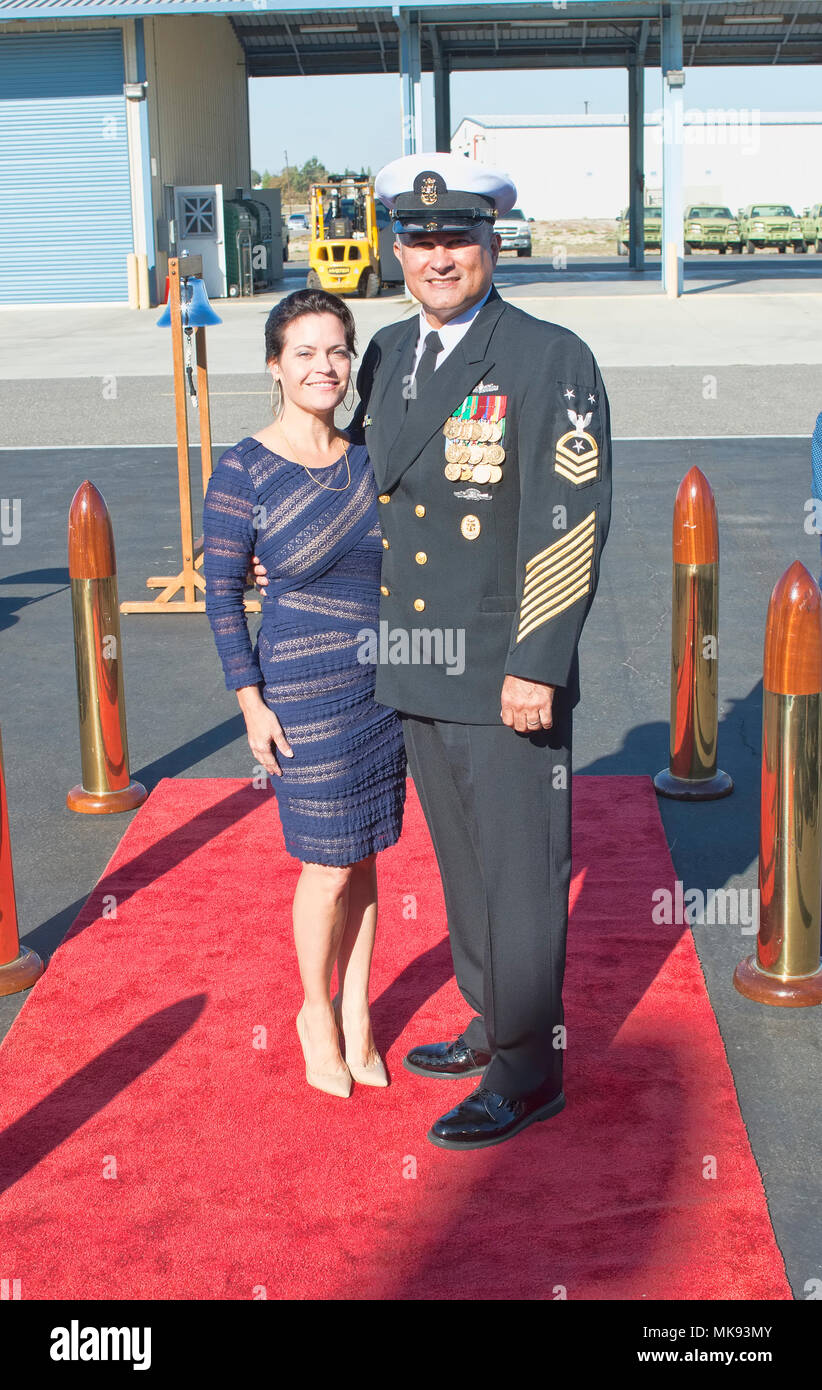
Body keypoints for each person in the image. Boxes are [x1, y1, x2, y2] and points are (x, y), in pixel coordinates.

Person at [253, 153, 612, 1150]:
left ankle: (528, 1066)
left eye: (457, 236)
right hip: (413, 660)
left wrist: (538, 659)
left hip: (503, 669)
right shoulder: (388, 358)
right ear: (398, 251)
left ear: (494, 239)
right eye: (418, 239)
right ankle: (490, 1020)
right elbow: (370, 482)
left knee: (521, 870)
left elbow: (567, 517)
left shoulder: (548, 358)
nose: (437, 255)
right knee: (464, 863)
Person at [202, 288, 407, 1100]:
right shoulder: (243, 469)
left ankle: (359, 1015)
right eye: (306, 353)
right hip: (299, 691)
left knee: (363, 861)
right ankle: (315, 1014)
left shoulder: (371, 455)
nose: (324, 367)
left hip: (380, 686)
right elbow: (222, 596)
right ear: (275, 366)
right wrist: (250, 700)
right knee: (325, 866)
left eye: (337, 351)